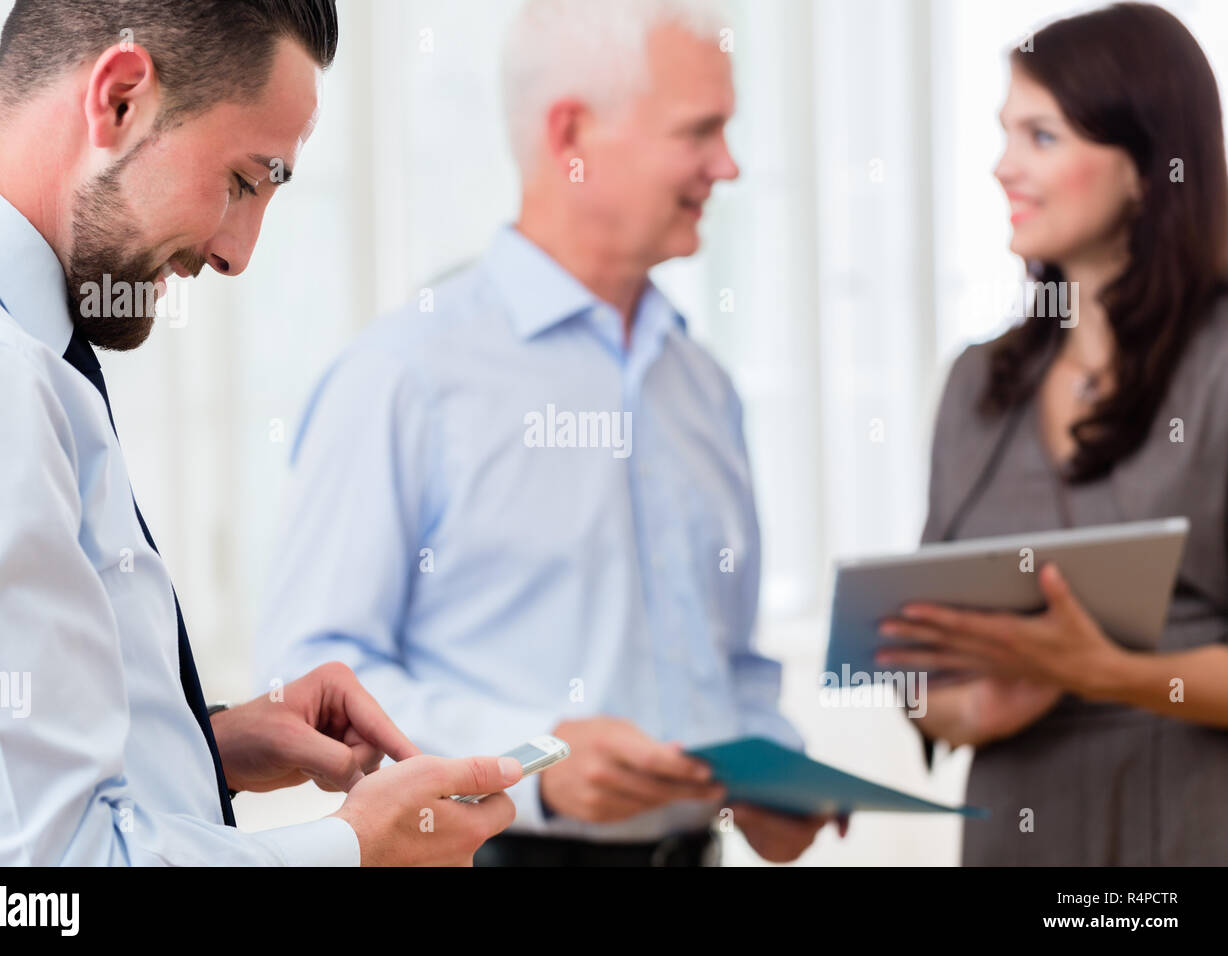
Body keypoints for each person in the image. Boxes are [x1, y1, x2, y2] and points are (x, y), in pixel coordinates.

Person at [0, 0, 521, 866]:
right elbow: (34, 885)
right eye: (245, 180)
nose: (239, 254)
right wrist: (355, 849)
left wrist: (200, 746)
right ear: (120, 99)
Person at [257, 0, 843, 867]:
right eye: (701, 130)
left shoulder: (704, 388)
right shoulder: (408, 375)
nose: (729, 165)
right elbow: (315, 672)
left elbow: (736, 663)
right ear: (570, 134)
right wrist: (536, 762)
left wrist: (773, 766)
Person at [877, 2, 1228, 865]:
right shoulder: (978, 383)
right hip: (1018, 828)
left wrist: (1110, 674)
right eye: (1004, 134)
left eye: (1041, 136)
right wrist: (962, 708)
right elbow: (918, 653)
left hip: (1184, 828)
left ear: (1148, 167)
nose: (1002, 167)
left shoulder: (1218, 367)